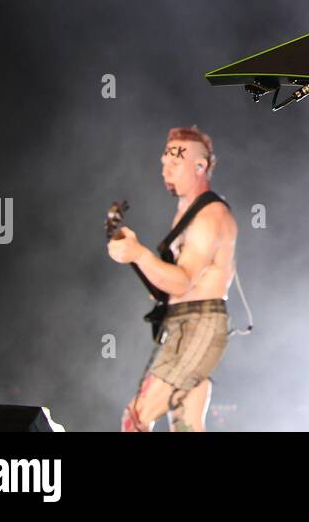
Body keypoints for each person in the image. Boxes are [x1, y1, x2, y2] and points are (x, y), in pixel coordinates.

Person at [107, 125, 237, 431]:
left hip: (199, 325)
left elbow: (182, 282)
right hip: (184, 323)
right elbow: (166, 292)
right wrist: (134, 256)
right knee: (186, 426)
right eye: (164, 164)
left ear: (200, 165)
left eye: (175, 164)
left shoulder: (209, 215)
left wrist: (139, 254)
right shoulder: (186, 212)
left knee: (135, 418)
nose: (166, 171)